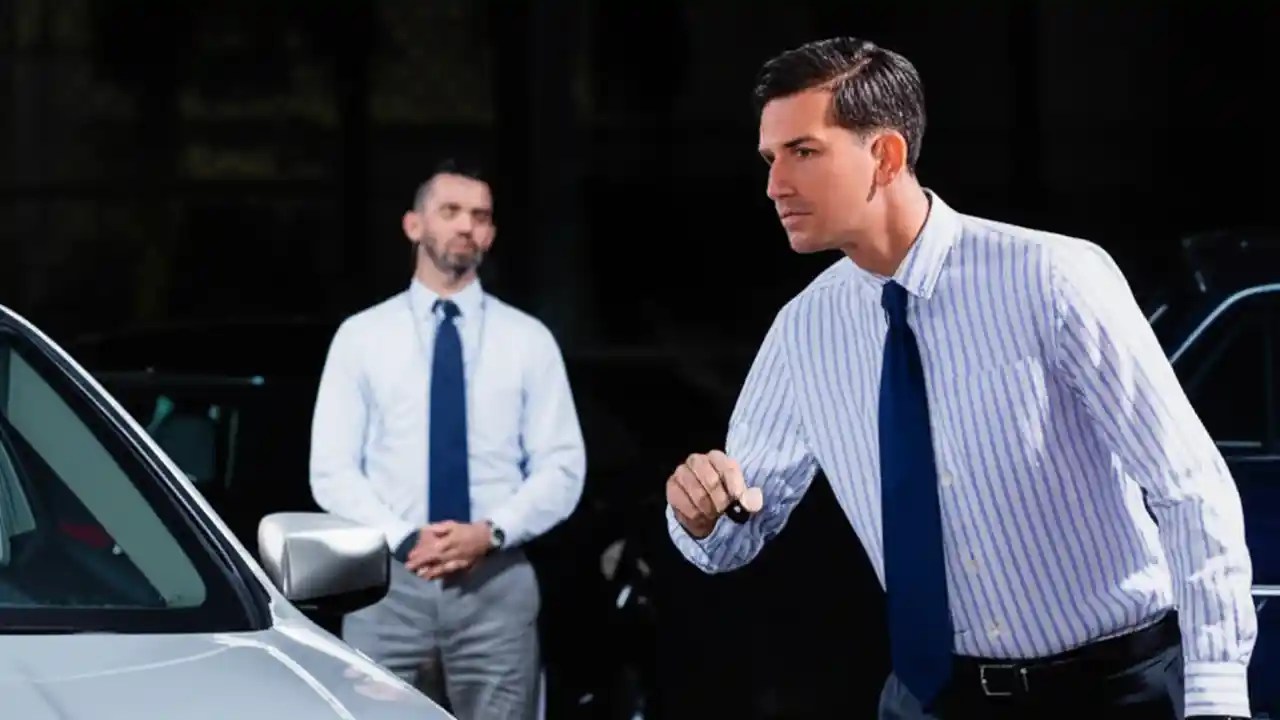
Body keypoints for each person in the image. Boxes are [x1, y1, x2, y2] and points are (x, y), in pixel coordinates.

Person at [663, 37, 1255, 720]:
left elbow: (1187, 484)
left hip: (1113, 692)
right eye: (771, 159)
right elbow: (737, 532)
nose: (775, 186)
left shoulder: (1051, 279)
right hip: (932, 698)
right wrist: (701, 514)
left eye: (803, 152)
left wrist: (1216, 696)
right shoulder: (804, 332)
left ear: (885, 156)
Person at [310, 157, 586, 720]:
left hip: (495, 579)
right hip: (387, 582)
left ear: (491, 233)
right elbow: (332, 469)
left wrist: (491, 531)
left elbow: (562, 465)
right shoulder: (362, 337)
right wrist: (405, 537)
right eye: (451, 211)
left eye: (480, 216)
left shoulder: (528, 340)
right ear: (414, 225)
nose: (466, 225)